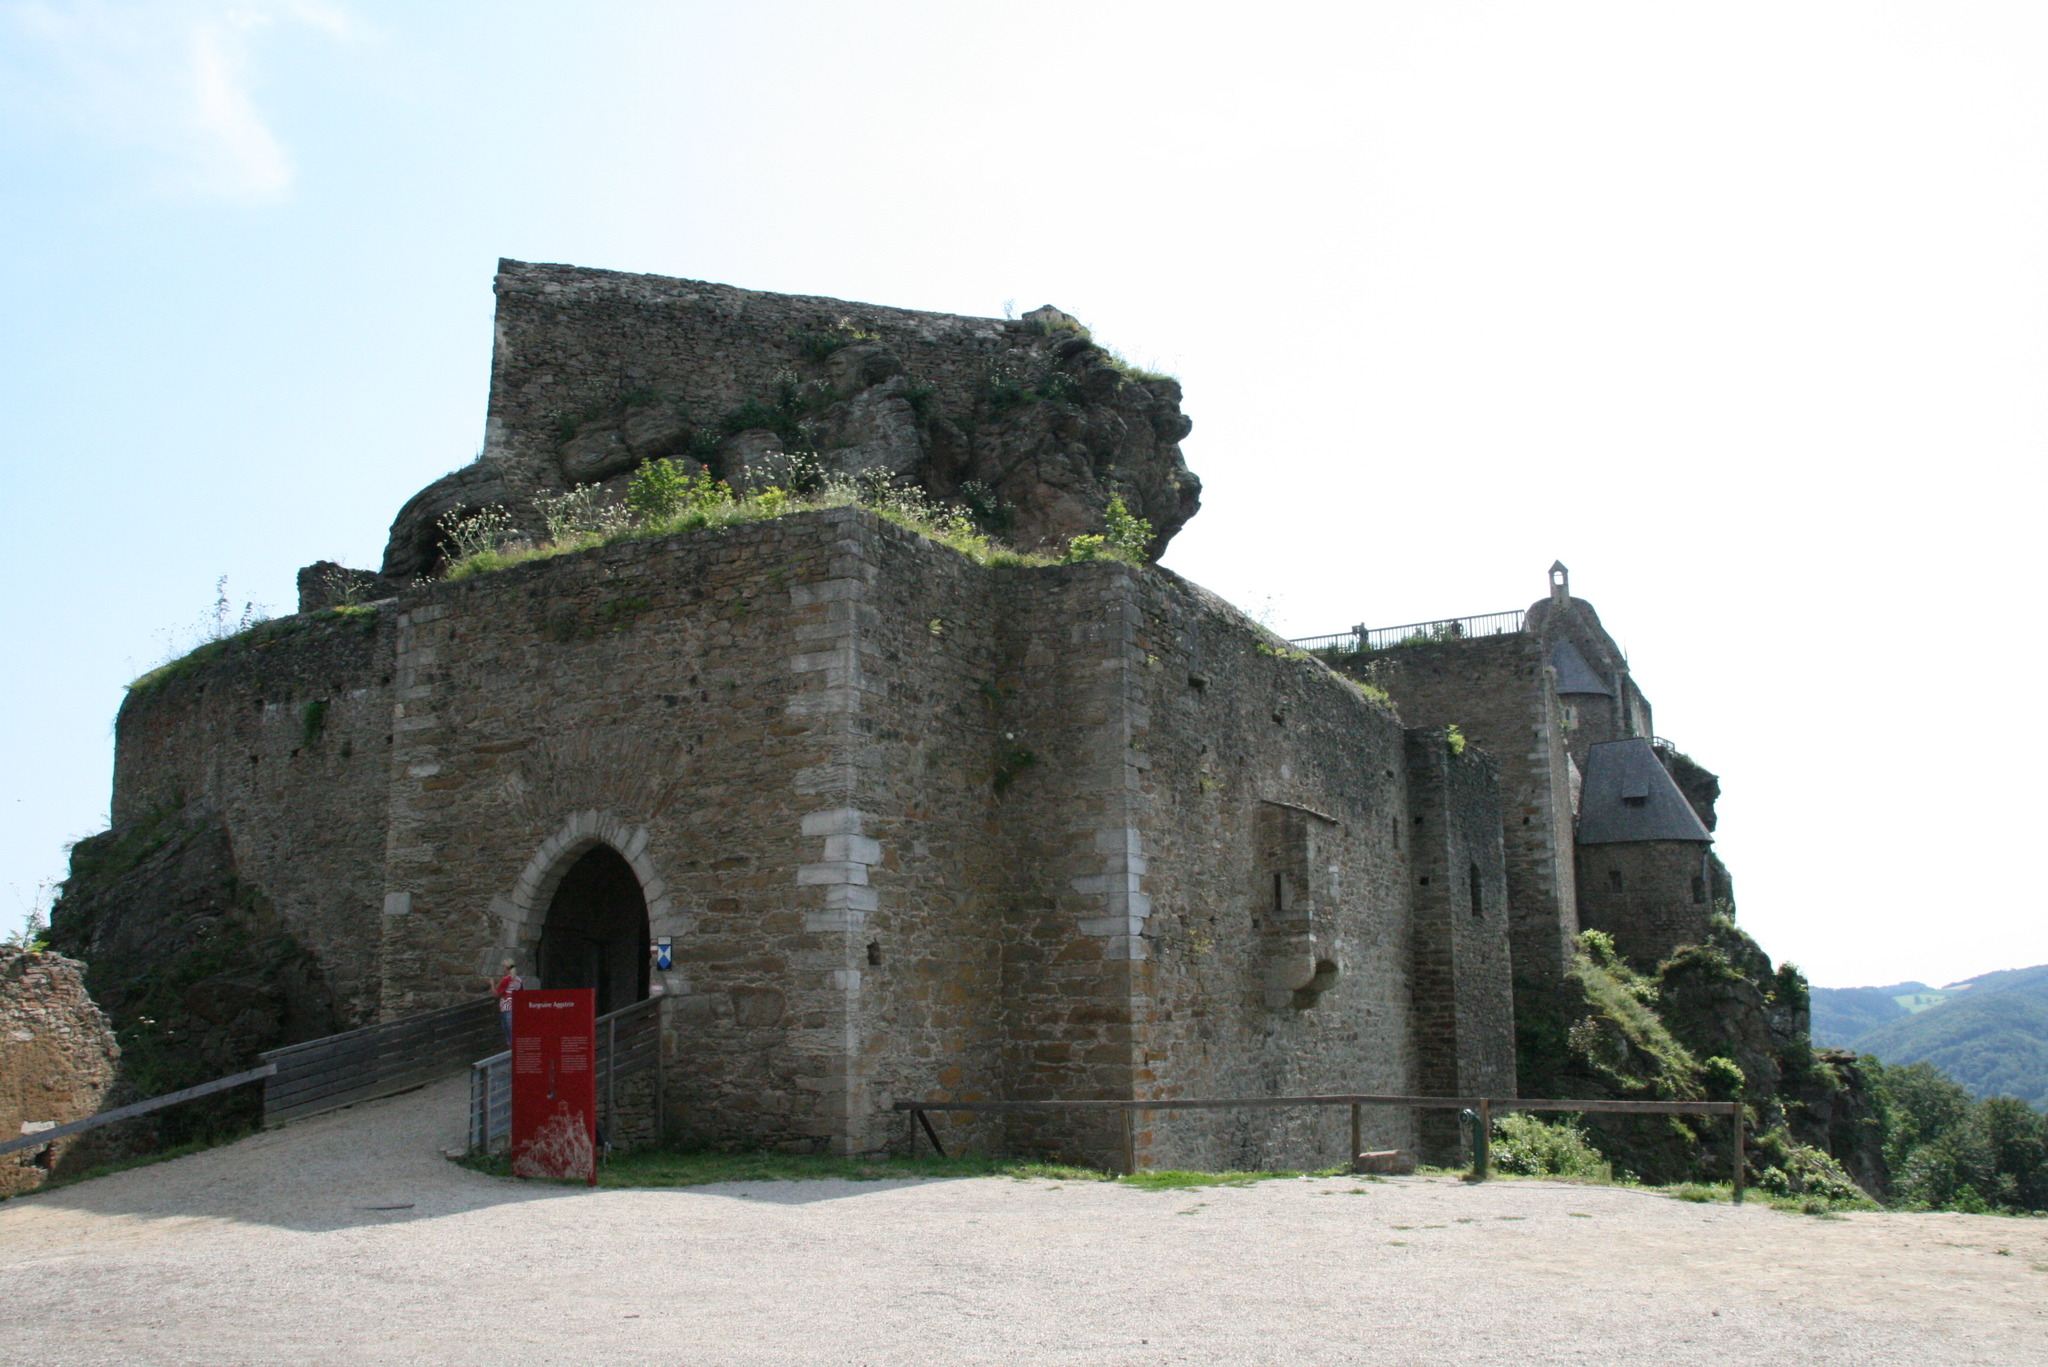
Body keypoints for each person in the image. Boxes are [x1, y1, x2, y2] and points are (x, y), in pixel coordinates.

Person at [493, 958, 523, 1043]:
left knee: (509, 1033)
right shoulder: (519, 979)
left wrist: (492, 984)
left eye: (503, 967)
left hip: (506, 1007)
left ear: (506, 968)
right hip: (516, 1007)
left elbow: (496, 994)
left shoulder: (506, 979)